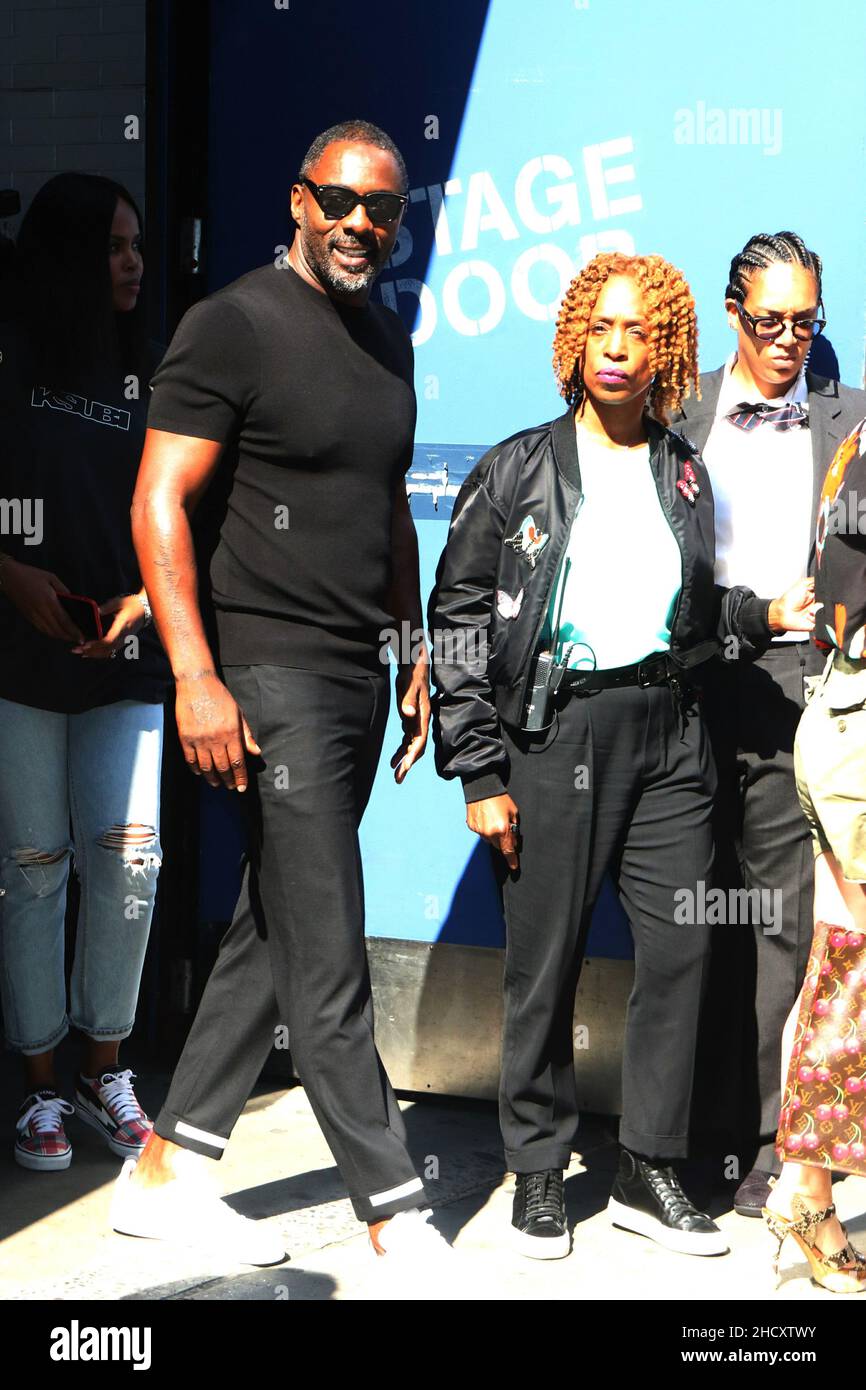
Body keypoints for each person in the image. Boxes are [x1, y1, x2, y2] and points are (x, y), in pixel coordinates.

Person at [428, 252, 813, 1259]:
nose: (615, 347)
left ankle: (649, 1165)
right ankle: (538, 1170)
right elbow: (458, 618)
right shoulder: (515, 467)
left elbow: (689, 615)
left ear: (666, 351)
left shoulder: (681, 471)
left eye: (637, 332)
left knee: (680, 950)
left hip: (667, 732)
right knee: (543, 963)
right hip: (557, 735)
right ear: (571, 340)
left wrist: (756, 613)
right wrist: (478, 768)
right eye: (599, 328)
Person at [111, 120, 445, 1273]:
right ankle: (394, 1207)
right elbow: (159, 502)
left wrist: (409, 649)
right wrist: (197, 676)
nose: (361, 222)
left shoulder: (384, 342)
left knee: (270, 922)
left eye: (384, 209)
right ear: (299, 199)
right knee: (326, 940)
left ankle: (168, 1166)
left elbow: (387, 505)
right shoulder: (234, 324)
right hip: (265, 673)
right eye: (341, 200)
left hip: (355, 671)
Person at [672, 232, 866, 1217]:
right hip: (683, 687)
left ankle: (757, 1145)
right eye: (767, 319)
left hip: (796, 688)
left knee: (779, 925)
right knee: (681, 918)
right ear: (730, 310)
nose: (787, 338)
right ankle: (666, 1141)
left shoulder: (854, 422)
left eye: (805, 321)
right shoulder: (677, 412)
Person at [0, 172, 169, 1170]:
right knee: (31, 869)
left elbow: (179, 511)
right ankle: (36, 1088)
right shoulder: (11, 361)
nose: (133, 262)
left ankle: (106, 1068)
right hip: (20, 653)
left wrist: (148, 604)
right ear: (66, 256)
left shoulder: (146, 370)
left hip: (126, 652)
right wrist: (9, 572)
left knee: (129, 861)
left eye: (138, 243)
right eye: (112, 245)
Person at [762, 416, 866, 1293]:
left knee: (844, 963)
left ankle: (806, 1184)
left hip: (846, 720)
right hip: (860, 730)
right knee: (853, 971)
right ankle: (805, 1188)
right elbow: (854, 608)